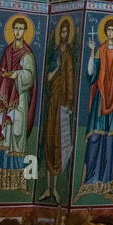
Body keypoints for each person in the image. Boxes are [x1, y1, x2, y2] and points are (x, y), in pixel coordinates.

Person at [77, 18, 113, 201]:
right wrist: (92, 52)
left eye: (112, 30)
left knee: (111, 142)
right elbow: (91, 74)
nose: (109, 33)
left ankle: (107, 184)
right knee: (95, 138)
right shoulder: (100, 50)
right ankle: (89, 181)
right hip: (101, 99)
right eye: (107, 30)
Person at [0, 16, 37, 193]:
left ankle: (19, 183)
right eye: (15, 28)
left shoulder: (27, 54)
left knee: (16, 139)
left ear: (25, 31)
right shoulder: (8, 51)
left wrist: (18, 76)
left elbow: (30, 77)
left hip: (19, 101)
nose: (17, 32)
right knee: (3, 138)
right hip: (6, 99)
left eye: (20, 29)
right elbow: (1, 77)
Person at [39, 17, 75, 202]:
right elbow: (47, 77)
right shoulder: (55, 52)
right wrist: (54, 71)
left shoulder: (68, 53)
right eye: (61, 32)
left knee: (59, 143)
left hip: (62, 103)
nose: (63, 35)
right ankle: (48, 187)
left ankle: (56, 187)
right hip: (52, 102)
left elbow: (70, 76)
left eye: (66, 33)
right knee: (49, 140)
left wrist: (69, 100)